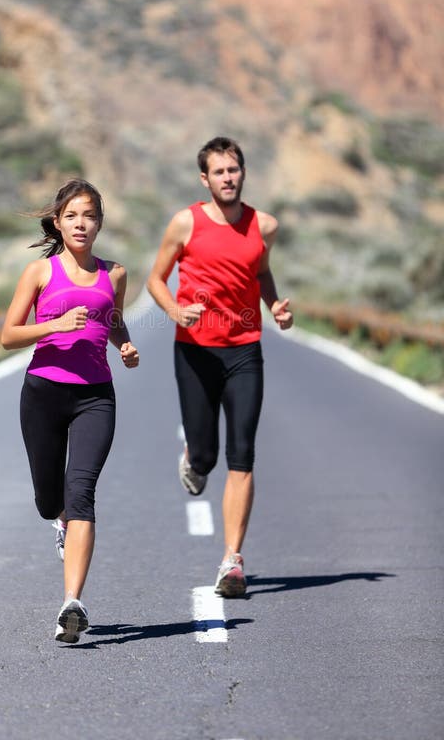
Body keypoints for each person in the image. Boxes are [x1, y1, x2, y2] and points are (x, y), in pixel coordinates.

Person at [147, 136, 292, 597]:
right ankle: (194, 458)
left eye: (234, 170)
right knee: (207, 454)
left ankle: (232, 561)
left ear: (243, 173)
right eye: (219, 171)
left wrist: (274, 306)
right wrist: (173, 311)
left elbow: (261, 271)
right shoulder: (185, 223)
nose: (228, 178)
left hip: (245, 349)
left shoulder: (263, 225)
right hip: (195, 351)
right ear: (204, 178)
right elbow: (155, 278)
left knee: (243, 453)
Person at [1, 178, 139, 642]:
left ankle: (71, 604)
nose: (82, 224)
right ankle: (58, 521)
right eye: (73, 216)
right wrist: (54, 325)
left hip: (95, 396)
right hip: (43, 393)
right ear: (58, 223)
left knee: (82, 491)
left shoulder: (114, 274)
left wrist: (125, 344)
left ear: (100, 222)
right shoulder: (39, 274)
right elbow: (8, 335)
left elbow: (112, 322)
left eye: (91, 216)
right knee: (49, 500)